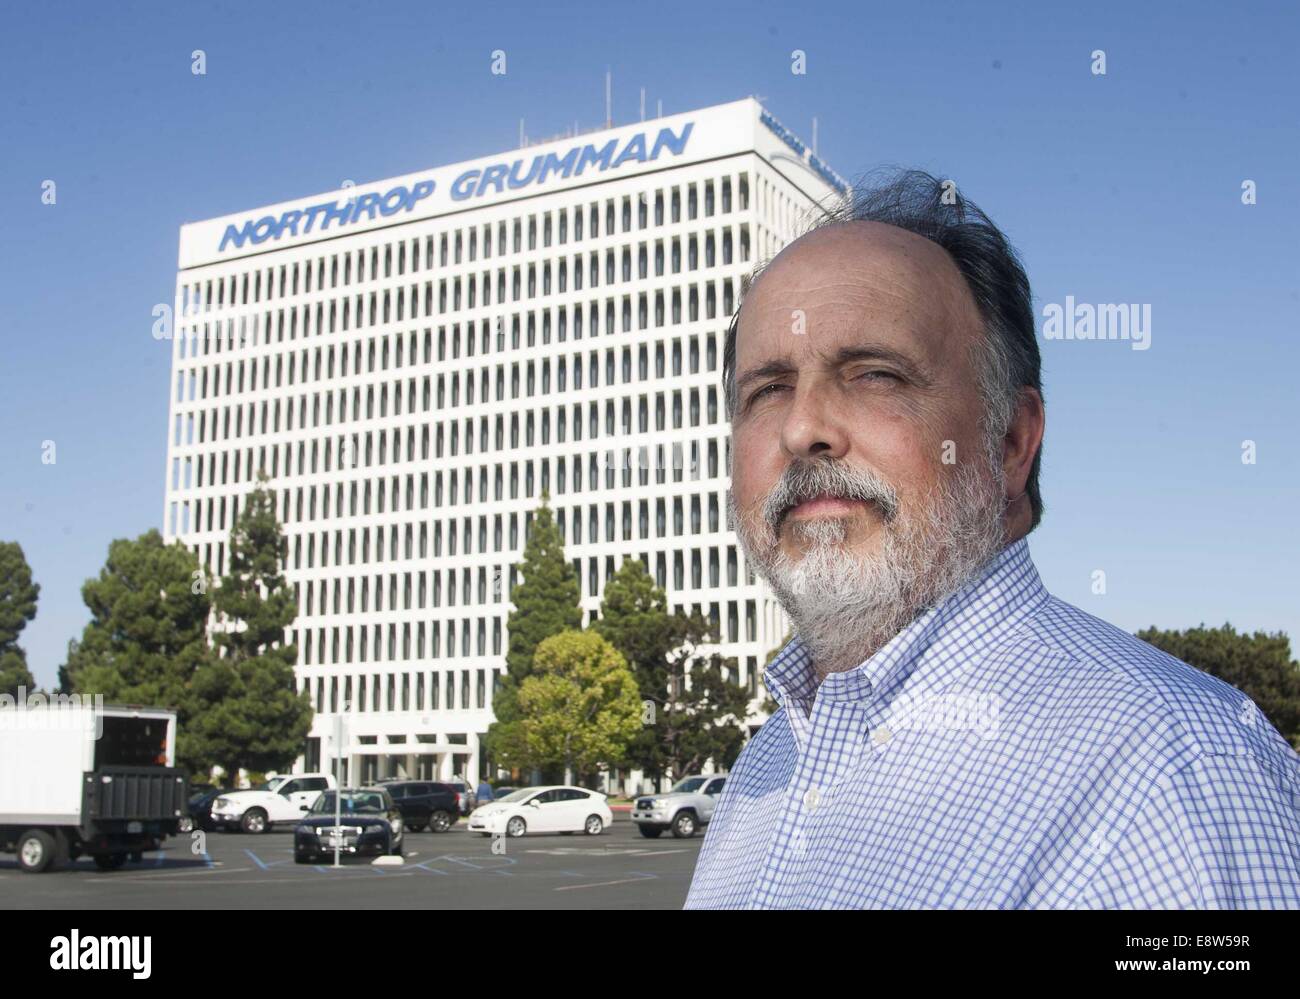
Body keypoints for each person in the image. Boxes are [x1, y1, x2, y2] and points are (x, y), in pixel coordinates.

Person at [684, 170, 1300, 909]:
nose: (802, 427)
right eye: (768, 389)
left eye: (876, 374)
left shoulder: (1176, 769)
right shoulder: (766, 762)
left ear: (1010, 439)